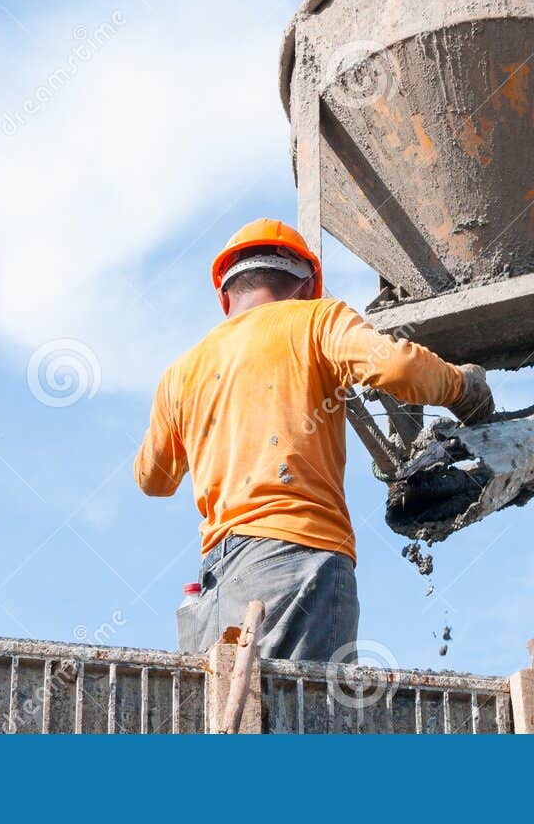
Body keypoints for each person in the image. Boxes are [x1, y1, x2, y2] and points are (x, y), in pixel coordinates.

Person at [134, 217, 493, 662]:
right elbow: (397, 368)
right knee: (308, 721)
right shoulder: (317, 319)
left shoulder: (182, 372)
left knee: (233, 723)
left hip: (216, 584)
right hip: (295, 562)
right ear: (307, 287)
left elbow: (153, 480)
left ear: (226, 296)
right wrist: (462, 387)